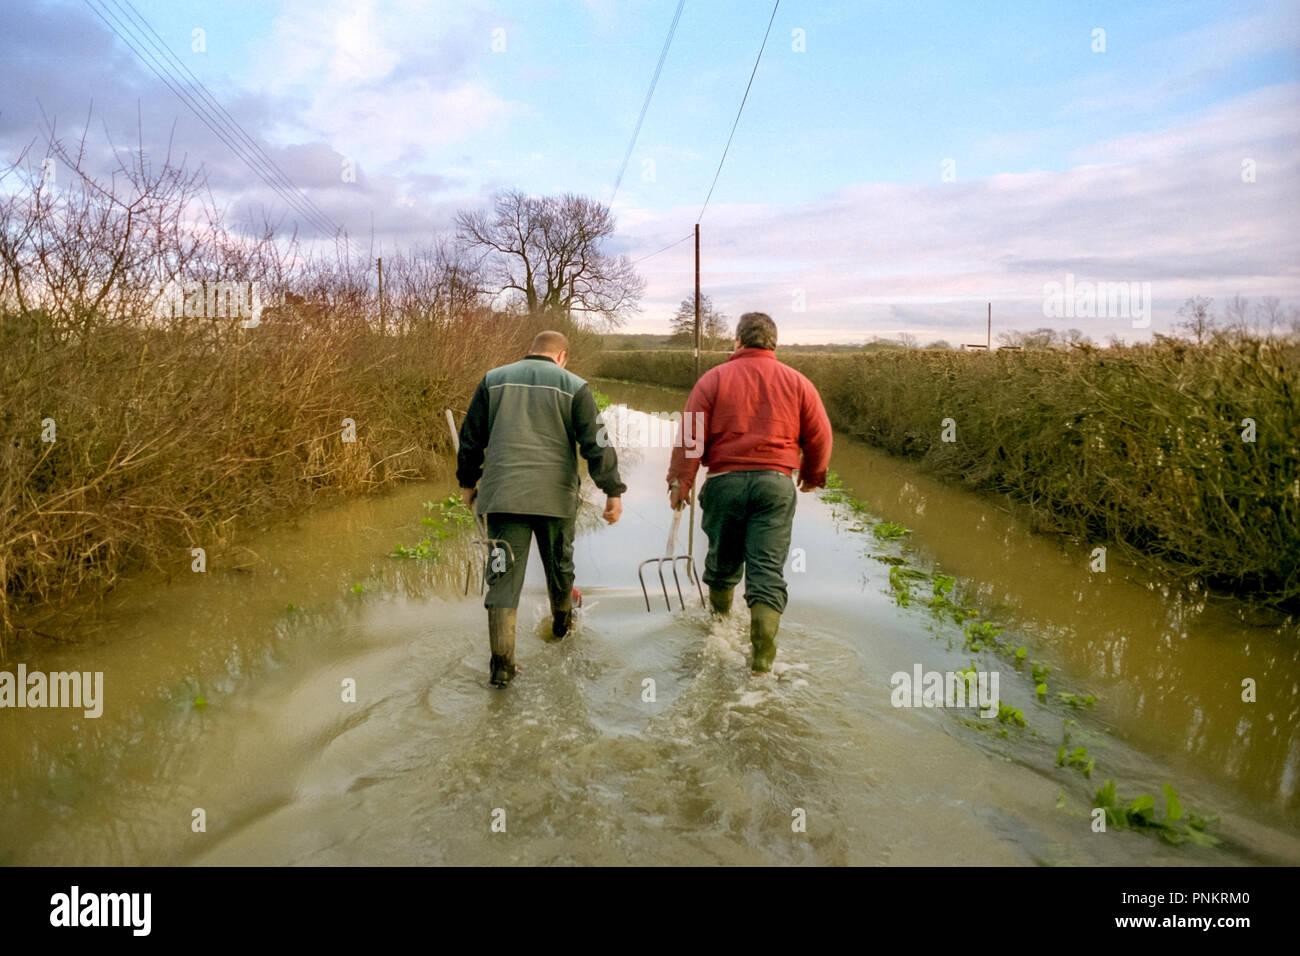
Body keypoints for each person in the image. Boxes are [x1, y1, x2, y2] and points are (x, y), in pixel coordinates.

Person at [665, 312, 832, 674]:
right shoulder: (799, 383)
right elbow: (820, 435)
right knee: (767, 572)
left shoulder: (712, 380)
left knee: (723, 567)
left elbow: (692, 435)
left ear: (737, 341)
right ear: (774, 343)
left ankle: (719, 633)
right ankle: (760, 666)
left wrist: (681, 482)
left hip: (724, 482)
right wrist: (813, 475)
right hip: (775, 485)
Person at [457, 330, 625, 687]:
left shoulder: (493, 380)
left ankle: (501, 669)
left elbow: (471, 437)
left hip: (503, 498)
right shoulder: (574, 386)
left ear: (530, 351)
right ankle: (563, 631)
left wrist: (468, 483)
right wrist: (612, 489)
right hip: (555, 499)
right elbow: (597, 442)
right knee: (560, 568)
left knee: (502, 576)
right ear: (562, 356)